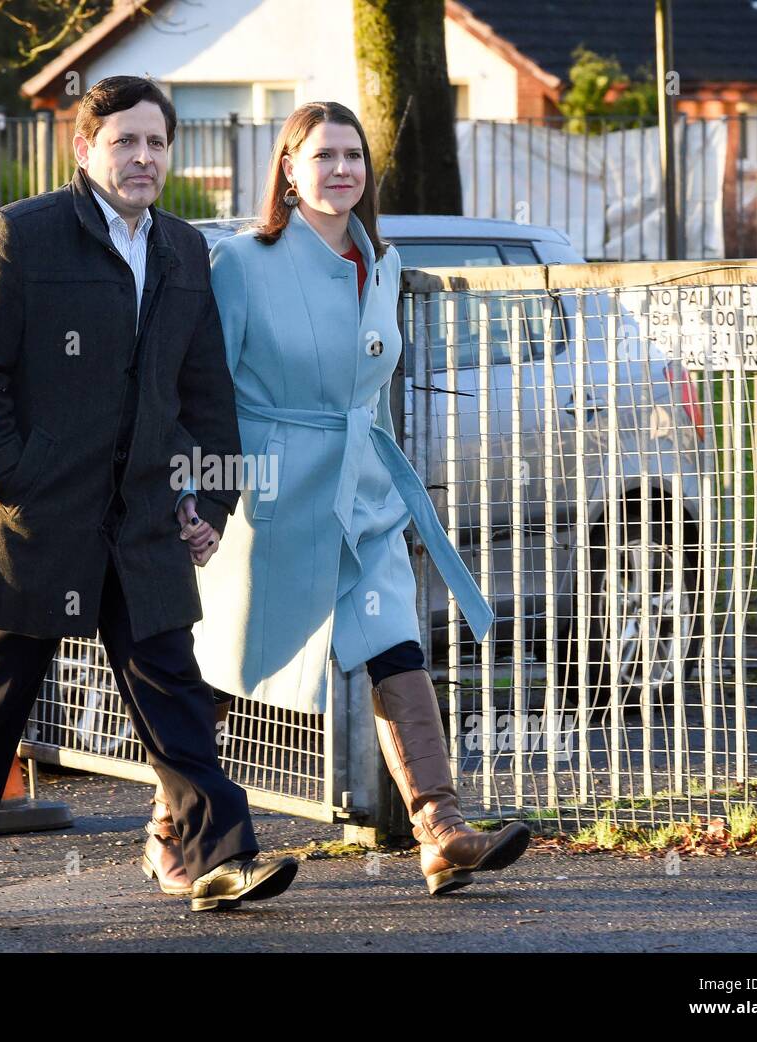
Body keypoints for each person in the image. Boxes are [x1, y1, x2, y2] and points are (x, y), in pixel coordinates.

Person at [0, 76, 298, 917]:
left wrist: (214, 501)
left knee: (173, 693)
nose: (145, 157)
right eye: (126, 141)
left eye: (157, 142)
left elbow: (206, 394)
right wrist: (10, 481)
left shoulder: (187, 250)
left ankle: (221, 853)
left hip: (142, 520)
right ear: (84, 148)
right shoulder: (21, 235)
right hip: (36, 519)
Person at [188, 101, 532, 897]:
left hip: (360, 489)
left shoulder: (382, 259)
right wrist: (203, 491)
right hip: (269, 494)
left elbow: (367, 392)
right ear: (288, 167)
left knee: (392, 642)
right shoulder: (242, 261)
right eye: (323, 155)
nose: (342, 169)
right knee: (229, 667)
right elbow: (204, 385)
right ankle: (177, 835)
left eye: (353, 154)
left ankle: (441, 828)